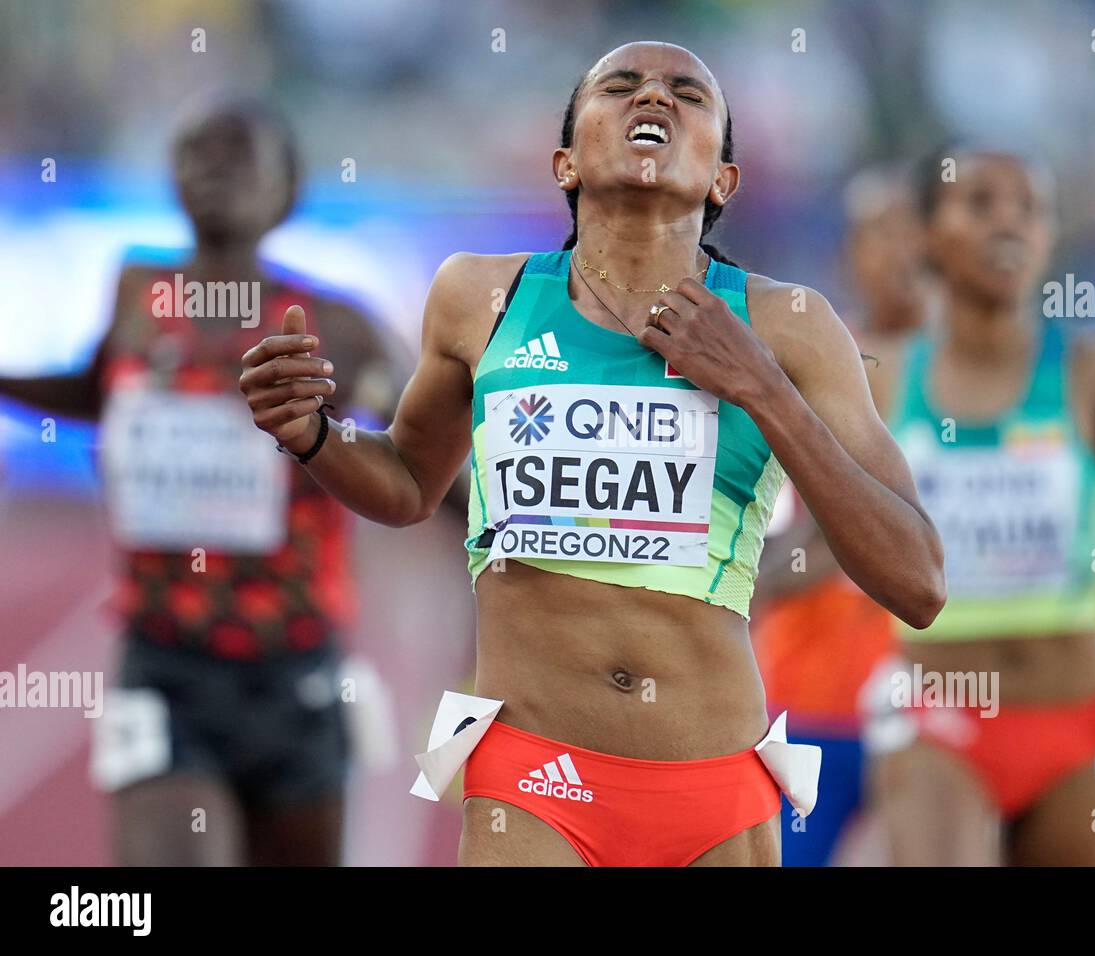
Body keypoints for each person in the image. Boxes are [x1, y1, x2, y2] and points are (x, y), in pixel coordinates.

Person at [239, 42, 945, 867]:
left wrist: (764, 390)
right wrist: (319, 437)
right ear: (566, 161)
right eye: (622, 86)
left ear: (724, 178)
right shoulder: (479, 298)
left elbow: (918, 581)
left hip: (714, 786)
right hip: (531, 776)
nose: (655, 97)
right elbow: (405, 481)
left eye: (688, 93)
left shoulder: (790, 324)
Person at [0, 99, 399, 865]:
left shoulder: (338, 327)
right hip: (163, 662)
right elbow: (93, 392)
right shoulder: (139, 292)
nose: (212, 164)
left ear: (288, 188)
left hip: (298, 670)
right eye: (193, 149)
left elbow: (427, 453)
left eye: (238, 150)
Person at [860, 145, 1095, 865]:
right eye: (981, 203)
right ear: (927, 230)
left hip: (1077, 725)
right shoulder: (883, 376)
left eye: (1030, 209)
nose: (1010, 224)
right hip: (940, 716)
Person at [752, 169, 929, 866]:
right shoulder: (821, 359)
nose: (899, 253)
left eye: (913, 232)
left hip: (938, 700)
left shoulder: (989, 377)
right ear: (849, 252)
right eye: (877, 234)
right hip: (810, 693)